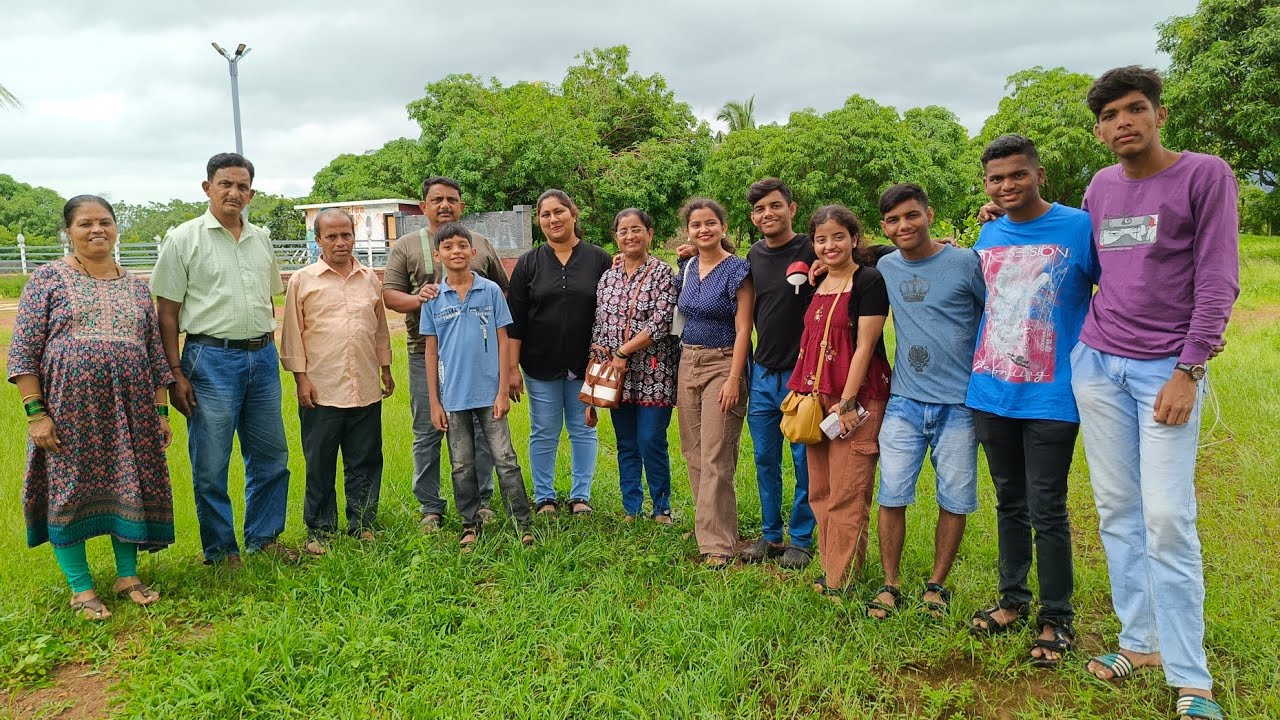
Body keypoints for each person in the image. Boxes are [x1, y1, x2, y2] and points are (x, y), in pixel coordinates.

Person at [1072, 67, 1238, 720]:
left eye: (1135, 109)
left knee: (1168, 516)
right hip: (1099, 365)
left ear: (1158, 115)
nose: (1123, 123)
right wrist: (1013, 220)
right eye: (1110, 116)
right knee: (1116, 509)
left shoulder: (1204, 174)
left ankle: (1191, 676)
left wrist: (1189, 370)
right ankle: (1139, 642)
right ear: (1100, 130)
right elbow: (1087, 262)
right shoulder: (1101, 186)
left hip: (1164, 370)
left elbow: (1219, 275)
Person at [964, 135, 1098, 669]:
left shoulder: (1079, 227)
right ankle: (1013, 600)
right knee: (1009, 500)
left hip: (1053, 392)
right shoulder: (989, 230)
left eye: (1017, 175)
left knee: (1048, 507)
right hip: (990, 389)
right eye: (996, 178)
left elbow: (1113, 292)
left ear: (1039, 174)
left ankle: (1057, 616)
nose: (1006, 185)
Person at [8, 195, 174, 619]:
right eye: (85, 223)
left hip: (131, 412)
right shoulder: (47, 279)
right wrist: (36, 414)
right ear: (69, 231)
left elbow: (154, 354)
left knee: (127, 483)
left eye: (105, 221)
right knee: (68, 490)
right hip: (68, 411)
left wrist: (160, 414)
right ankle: (81, 588)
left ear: (116, 228)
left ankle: (127, 575)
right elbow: (24, 352)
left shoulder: (137, 286)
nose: (97, 230)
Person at [151, 152, 295, 566]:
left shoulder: (260, 238)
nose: (234, 192)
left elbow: (268, 296)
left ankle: (264, 539)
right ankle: (221, 551)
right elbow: (167, 312)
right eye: (226, 184)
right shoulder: (184, 239)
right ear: (207, 187)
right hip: (209, 360)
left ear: (251, 192)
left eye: (242, 186)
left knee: (271, 457)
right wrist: (173, 371)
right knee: (211, 464)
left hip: (261, 359)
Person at [867, 183, 984, 619]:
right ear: (885, 226)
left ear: (929, 214)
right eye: (894, 220)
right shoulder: (884, 266)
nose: (904, 226)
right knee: (892, 493)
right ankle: (890, 584)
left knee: (954, 498)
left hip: (959, 405)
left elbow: (992, 313)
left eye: (912, 215)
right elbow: (832, 244)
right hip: (904, 402)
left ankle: (936, 585)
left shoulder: (965, 262)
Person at [383, 176, 509, 532]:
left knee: (481, 431)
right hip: (426, 352)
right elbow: (390, 295)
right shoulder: (406, 246)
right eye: (436, 199)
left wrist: (507, 367)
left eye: (452, 199)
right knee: (428, 428)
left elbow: (502, 291)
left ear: (461, 206)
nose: (444, 205)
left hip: (478, 358)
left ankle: (481, 500)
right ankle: (430, 506)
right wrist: (419, 299)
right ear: (423, 206)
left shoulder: (480, 244)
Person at [788, 205, 891, 595]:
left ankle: (839, 580)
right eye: (821, 239)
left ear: (853, 238)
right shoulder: (817, 282)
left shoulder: (869, 281)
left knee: (849, 491)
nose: (829, 245)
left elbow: (865, 347)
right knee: (821, 490)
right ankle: (832, 565)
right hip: (816, 398)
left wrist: (847, 403)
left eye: (838, 237)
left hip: (857, 399)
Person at [280, 209, 394, 556]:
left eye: (346, 235)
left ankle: (361, 523)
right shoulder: (303, 280)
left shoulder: (369, 279)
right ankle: (321, 529)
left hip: (364, 386)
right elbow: (292, 336)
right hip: (322, 388)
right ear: (318, 240)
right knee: (320, 461)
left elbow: (379, 328)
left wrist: (386, 369)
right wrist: (301, 380)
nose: (340, 242)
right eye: (331, 236)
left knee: (366, 458)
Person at [423, 223, 535, 550]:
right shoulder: (433, 299)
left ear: (473, 252)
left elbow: (503, 341)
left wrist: (502, 391)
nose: (456, 251)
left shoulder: (490, 292)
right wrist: (434, 401)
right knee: (461, 463)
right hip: (453, 398)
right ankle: (469, 522)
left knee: (505, 458)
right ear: (437, 255)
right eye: (448, 247)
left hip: (490, 395)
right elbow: (431, 351)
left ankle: (523, 522)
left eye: (462, 246)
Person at [506, 189, 612, 516]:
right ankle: (545, 498)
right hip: (540, 363)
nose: (553, 219)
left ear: (573, 213)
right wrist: (511, 369)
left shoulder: (599, 259)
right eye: (546, 214)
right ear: (539, 221)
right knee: (544, 430)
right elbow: (516, 322)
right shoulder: (529, 263)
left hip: (588, 364)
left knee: (583, 429)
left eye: (559, 211)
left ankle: (581, 496)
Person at [739, 178, 818, 569]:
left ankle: (801, 539)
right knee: (764, 458)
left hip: (803, 377)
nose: (767, 214)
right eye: (759, 210)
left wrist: (945, 245)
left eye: (774, 206)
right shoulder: (753, 255)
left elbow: (868, 254)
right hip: (763, 374)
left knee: (804, 459)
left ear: (792, 207)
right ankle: (771, 535)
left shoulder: (813, 246)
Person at [675, 198, 754, 569]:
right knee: (692, 450)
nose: (703, 230)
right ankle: (708, 523)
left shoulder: (738, 269)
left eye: (710, 223)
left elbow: (743, 329)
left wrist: (735, 379)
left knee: (717, 454)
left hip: (724, 361)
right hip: (687, 360)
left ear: (723, 226)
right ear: (688, 231)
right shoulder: (688, 266)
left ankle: (718, 544)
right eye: (696, 225)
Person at [591, 209, 680, 523]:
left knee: (650, 440)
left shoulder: (663, 274)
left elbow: (661, 323)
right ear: (616, 236)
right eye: (623, 231)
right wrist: (599, 364)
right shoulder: (608, 277)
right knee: (626, 443)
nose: (630, 236)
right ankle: (632, 508)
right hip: (618, 376)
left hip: (656, 373)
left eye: (636, 229)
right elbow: (600, 325)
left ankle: (662, 507)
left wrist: (624, 351)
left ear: (650, 233)